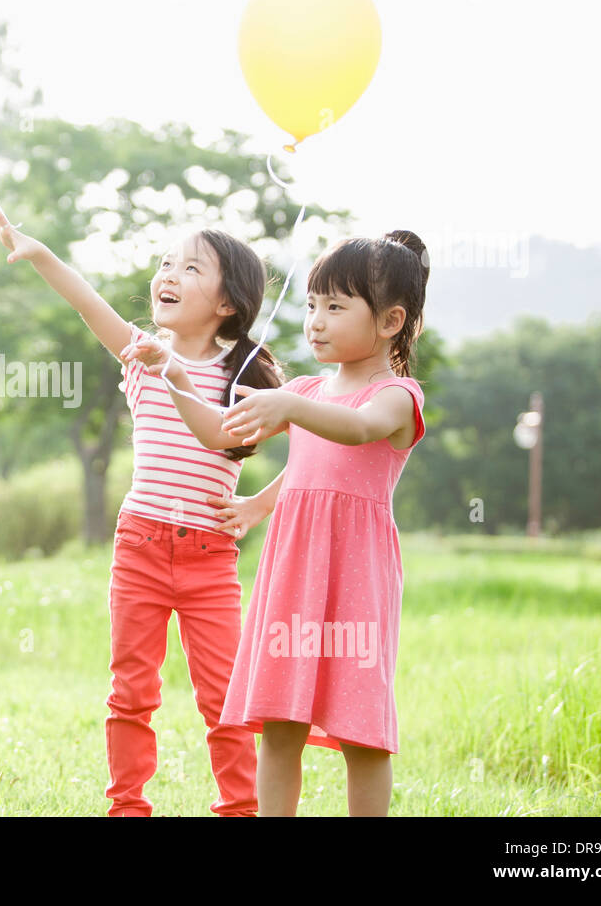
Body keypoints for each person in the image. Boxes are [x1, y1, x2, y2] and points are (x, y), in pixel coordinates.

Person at [0, 199, 282, 816]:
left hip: (208, 558)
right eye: (166, 263)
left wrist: (257, 507)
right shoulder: (141, 353)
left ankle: (240, 809)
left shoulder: (247, 373)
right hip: (140, 545)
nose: (169, 274)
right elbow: (87, 302)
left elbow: (316, 450)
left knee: (225, 697)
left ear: (228, 303)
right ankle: (127, 807)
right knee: (131, 690)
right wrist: (39, 253)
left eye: (191, 268)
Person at [136, 230, 429, 816]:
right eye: (312, 305)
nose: (315, 321)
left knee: (360, 729)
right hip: (294, 571)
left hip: (355, 579)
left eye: (336, 307)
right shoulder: (303, 389)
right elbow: (223, 434)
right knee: (279, 719)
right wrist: (174, 375)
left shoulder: (396, 395)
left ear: (392, 321)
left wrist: (291, 407)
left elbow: (358, 432)